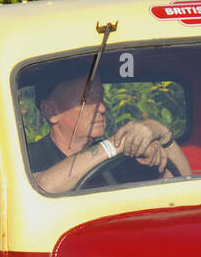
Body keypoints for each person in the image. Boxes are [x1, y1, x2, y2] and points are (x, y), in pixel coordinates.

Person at [29, 70, 190, 193]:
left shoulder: (124, 160)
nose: (102, 108)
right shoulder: (27, 157)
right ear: (51, 111)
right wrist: (118, 143)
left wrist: (162, 133)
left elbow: (183, 190)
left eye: (100, 97)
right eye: (87, 99)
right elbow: (42, 187)